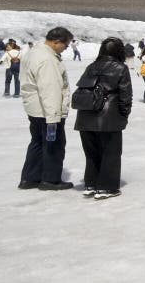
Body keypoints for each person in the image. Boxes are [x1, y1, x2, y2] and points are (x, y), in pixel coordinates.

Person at [73, 37, 132, 199]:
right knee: (110, 153)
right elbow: (125, 96)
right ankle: (107, 187)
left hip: (85, 116)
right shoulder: (121, 68)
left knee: (92, 153)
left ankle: (91, 184)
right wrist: (124, 114)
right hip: (108, 117)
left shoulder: (91, 66)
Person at [17, 26, 74, 190]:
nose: (66, 48)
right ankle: (50, 179)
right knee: (54, 145)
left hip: (34, 109)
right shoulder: (47, 59)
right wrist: (54, 117)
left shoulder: (33, 53)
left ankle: (30, 177)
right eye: (66, 45)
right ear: (57, 42)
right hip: (47, 111)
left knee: (37, 143)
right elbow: (51, 89)